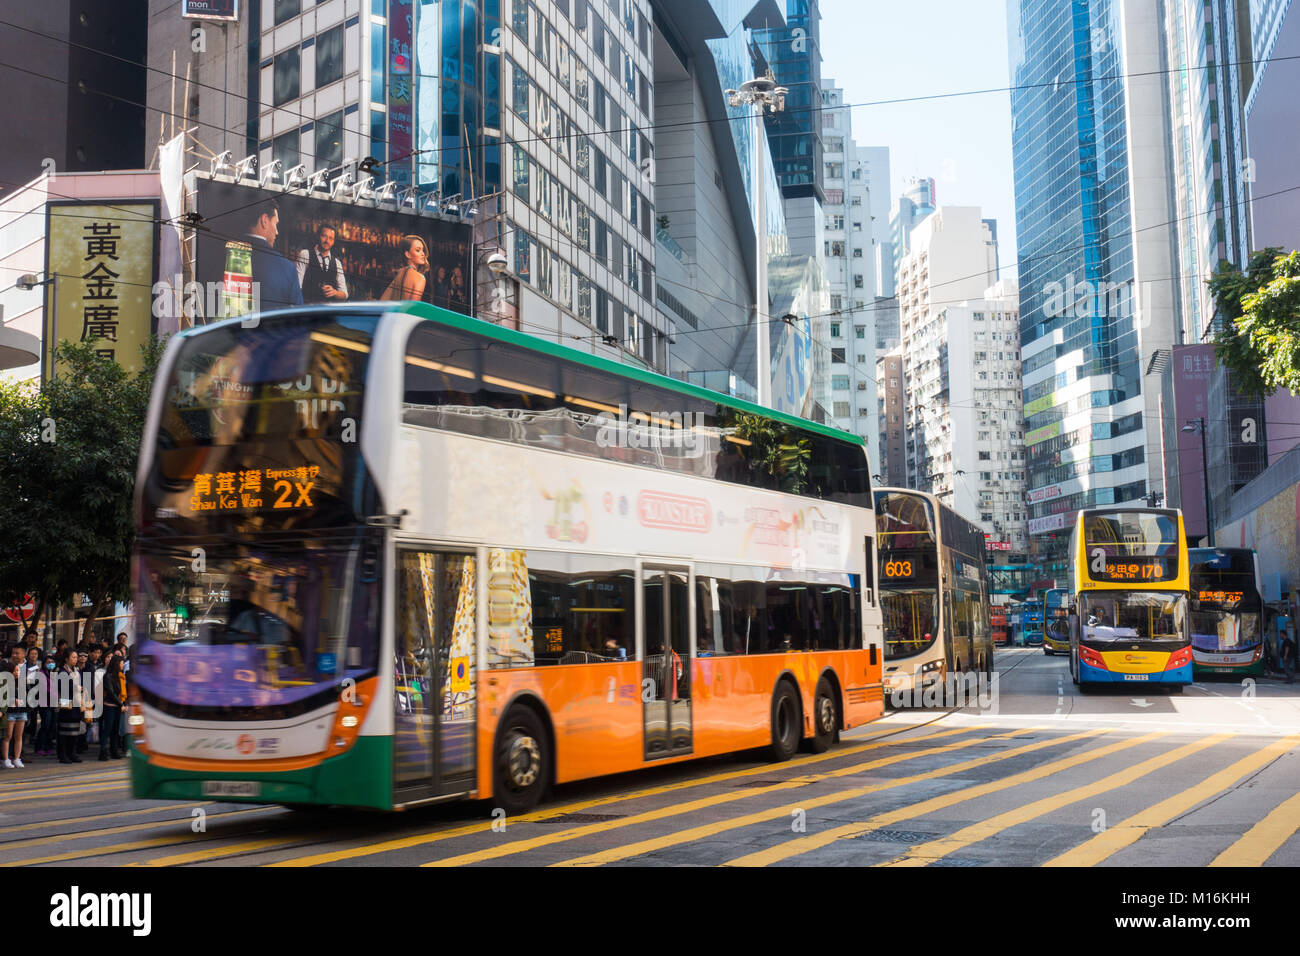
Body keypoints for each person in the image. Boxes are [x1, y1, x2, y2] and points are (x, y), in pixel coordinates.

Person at [244, 199, 304, 310]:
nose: (277, 232)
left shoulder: (217, 255)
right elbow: (298, 319)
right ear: (265, 220)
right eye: (276, 224)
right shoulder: (287, 268)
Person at [295, 224, 349, 303]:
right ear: (318, 236)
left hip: (327, 312)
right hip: (308, 308)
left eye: (331, 238)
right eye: (324, 236)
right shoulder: (305, 254)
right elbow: (297, 286)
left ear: (333, 242)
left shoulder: (337, 263)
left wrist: (335, 293)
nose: (327, 240)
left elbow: (345, 294)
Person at [55, 651, 85, 764]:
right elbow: (61, 685)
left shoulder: (77, 671)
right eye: (73, 657)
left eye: (76, 657)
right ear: (66, 659)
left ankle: (72, 753)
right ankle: (63, 755)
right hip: (65, 702)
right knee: (64, 731)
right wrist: (75, 687)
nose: (75, 659)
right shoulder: (62, 671)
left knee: (74, 730)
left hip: (76, 702)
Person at [380, 236, 429, 301]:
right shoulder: (420, 278)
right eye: (418, 250)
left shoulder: (400, 273)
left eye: (423, 250)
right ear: (408, 254)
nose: (423, 254)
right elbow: (413, 308)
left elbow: (383, 300)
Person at [2, 646, 27, 768]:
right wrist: (13, 700)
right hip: (10, 712)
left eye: (18, 671)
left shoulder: (21, 682)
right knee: (8, 736)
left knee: (18, 736)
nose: (17, 673)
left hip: (21, 711)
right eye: (15, 671)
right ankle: (6, 759)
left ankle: (17, 758)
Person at [98, 654, 125, 760]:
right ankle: (103, 752)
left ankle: (114, 751)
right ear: (116, 664)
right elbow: (111, 692)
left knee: (115, 730)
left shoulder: (120, 675)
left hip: (117, 706)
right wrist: (121, 704)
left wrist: (121, 703)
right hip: (109, 706)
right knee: (107, 729)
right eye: (121, 663)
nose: (122, 665)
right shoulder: (107, 676)